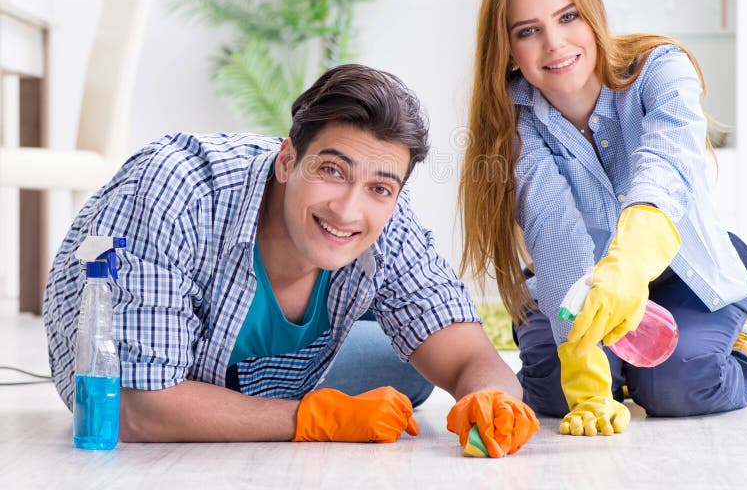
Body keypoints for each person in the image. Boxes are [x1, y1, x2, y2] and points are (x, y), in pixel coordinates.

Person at [44, 64, 538, 455]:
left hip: (270, 370)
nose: (348, 210)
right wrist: (312, 418)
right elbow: (132, 409)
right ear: (286, 160)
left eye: (380, 188)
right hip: (166, 369)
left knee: (408, 371)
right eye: (332, 170)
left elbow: (471, 356)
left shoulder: (387, 215)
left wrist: (492, 399)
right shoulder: (176, 191)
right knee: (389, 379)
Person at [458, 0, 747, 436]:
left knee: (677, 387)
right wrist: (586, 381)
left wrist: (628, 265)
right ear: (508, 49)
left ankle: (736, 346)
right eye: (528, 31)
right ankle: (617, 373)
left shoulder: (662, 69)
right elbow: (553, 230)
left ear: (593, 14)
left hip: (684, 270)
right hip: (578, 279)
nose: (555, 44)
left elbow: (665, 166)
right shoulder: (515, 120)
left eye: (568, 17)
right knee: (555, 393)